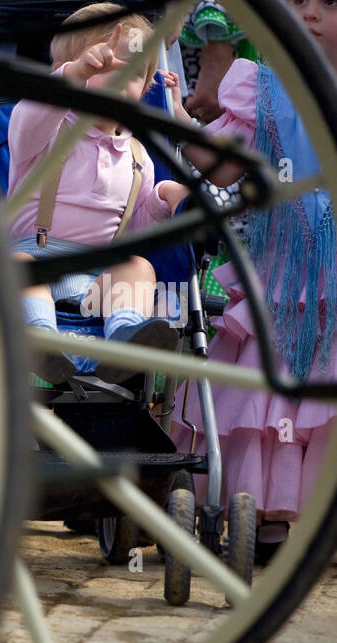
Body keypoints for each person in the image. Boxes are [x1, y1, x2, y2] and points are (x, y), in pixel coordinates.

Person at [170, 0, 337, 559]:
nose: (309, 14)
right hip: (279, 270)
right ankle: (264, 520)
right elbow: (221, 165)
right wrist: (173, 117)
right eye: (298, 2)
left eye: (328, 3)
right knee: (269, 396)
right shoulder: (263, 88)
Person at [7, 3, 189, 384]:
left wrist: (160, 201)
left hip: (98, 275)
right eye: (110, 67)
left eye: (136, 74)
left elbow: (133, 226)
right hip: (39, 256)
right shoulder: (45, 131)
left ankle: (124, 337)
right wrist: (76, 75)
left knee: (139, 266)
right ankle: (41, 342)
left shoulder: (138, 157)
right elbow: (34, 111)